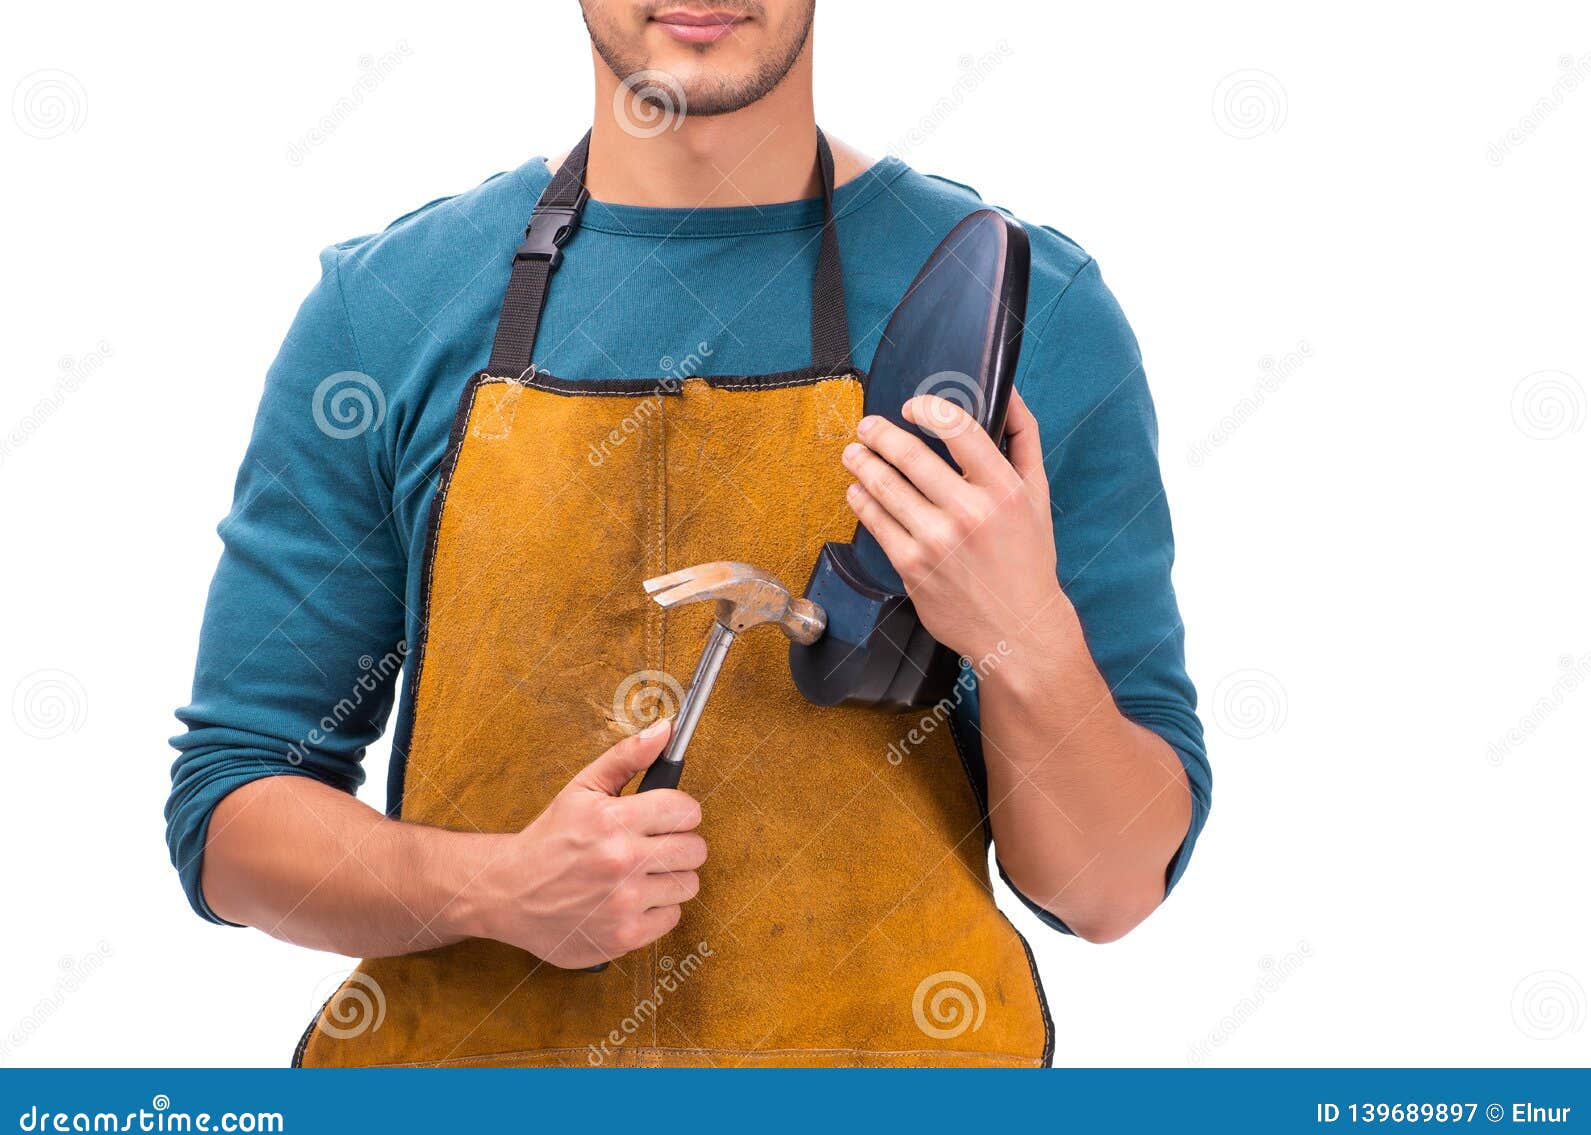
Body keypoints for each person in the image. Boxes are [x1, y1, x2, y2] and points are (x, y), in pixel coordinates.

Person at [167, 0, 1211, 1067]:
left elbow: (1109, 890)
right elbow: (231, 814)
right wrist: (495, 887)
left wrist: (1021, 631)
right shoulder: (387, 308)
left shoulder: (1018, 317)